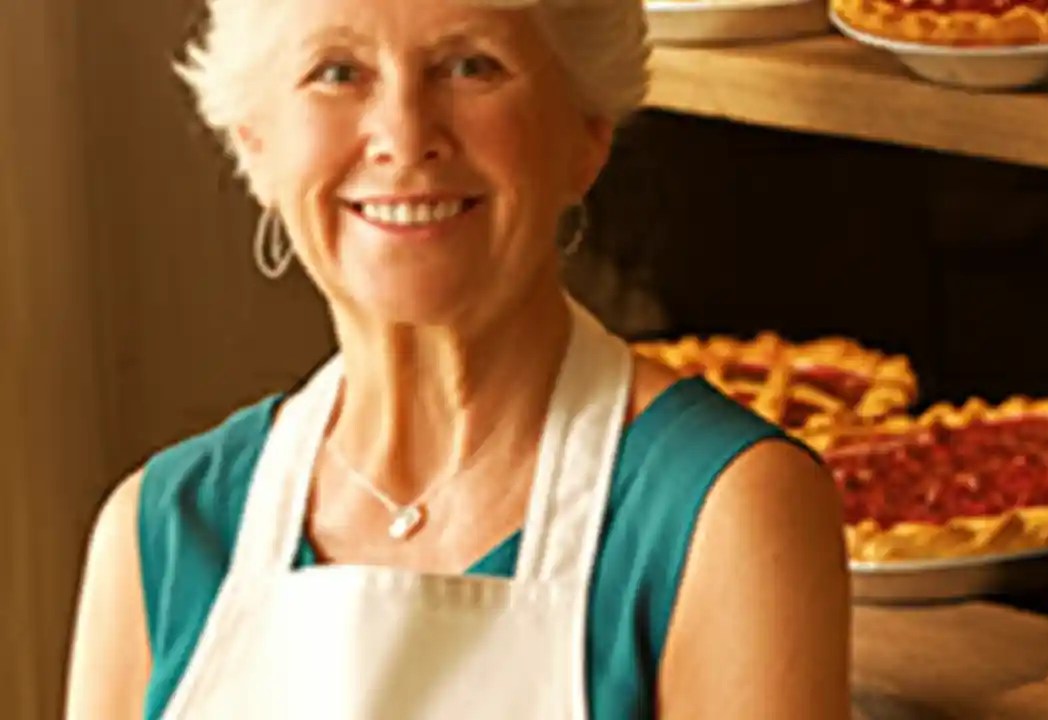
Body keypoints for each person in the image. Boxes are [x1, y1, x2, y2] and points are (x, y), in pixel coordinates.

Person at [64, 0, 850, 716]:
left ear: (586, 132)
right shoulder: (155, 534)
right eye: (337, 73)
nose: (405, 137)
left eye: (470, 66)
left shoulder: (726, 512)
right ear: (255, 143)